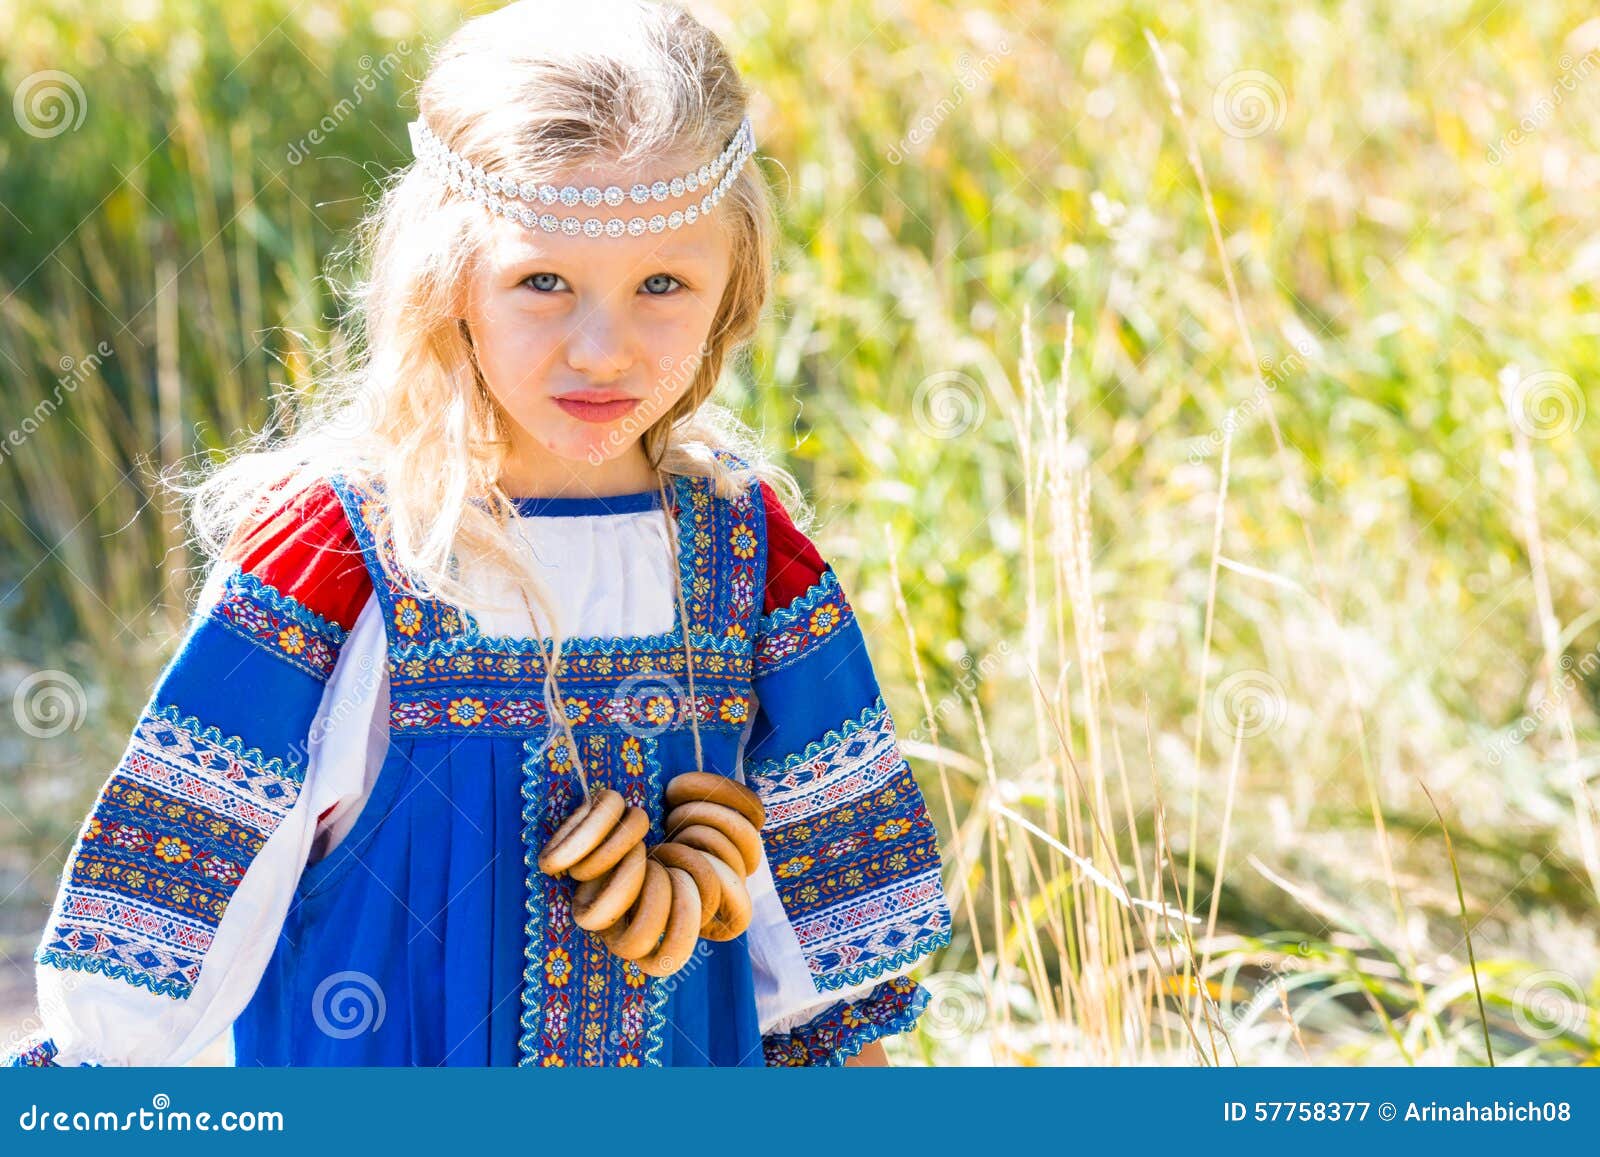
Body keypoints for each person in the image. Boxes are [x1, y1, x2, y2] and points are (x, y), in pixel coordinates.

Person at [2, 0, 952, 1068]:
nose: (603, 348)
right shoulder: (338, 559)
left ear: (733, 285)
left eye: (662, 285)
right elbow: (160, 940)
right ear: (450, 276)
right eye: (542, 281)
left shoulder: (750, 562)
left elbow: (824, 983)